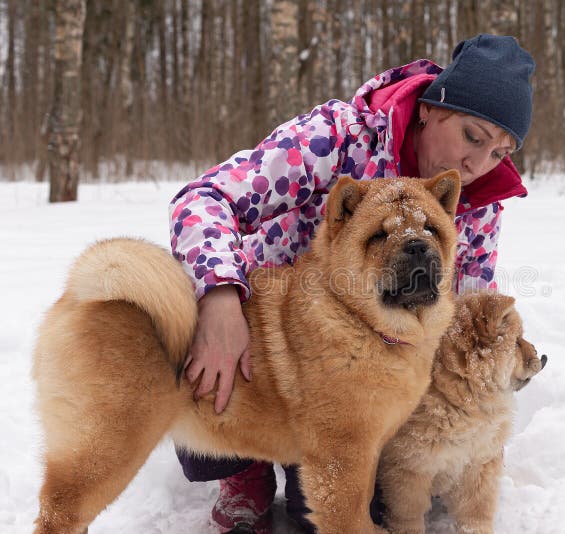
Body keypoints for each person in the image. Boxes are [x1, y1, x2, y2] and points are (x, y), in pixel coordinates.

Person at [168, 34, 535, 534]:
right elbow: (205, 198)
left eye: (499, 151)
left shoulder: (475, 199)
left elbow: (463, 313)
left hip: (365, 368)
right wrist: (219, 298)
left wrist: (470, 424)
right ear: (431, 109)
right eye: (473, 136)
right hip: (265, 331)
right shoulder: (335, 137)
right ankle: (243, 472)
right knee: (214, 383)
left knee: (329, 508)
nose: (478, 163)